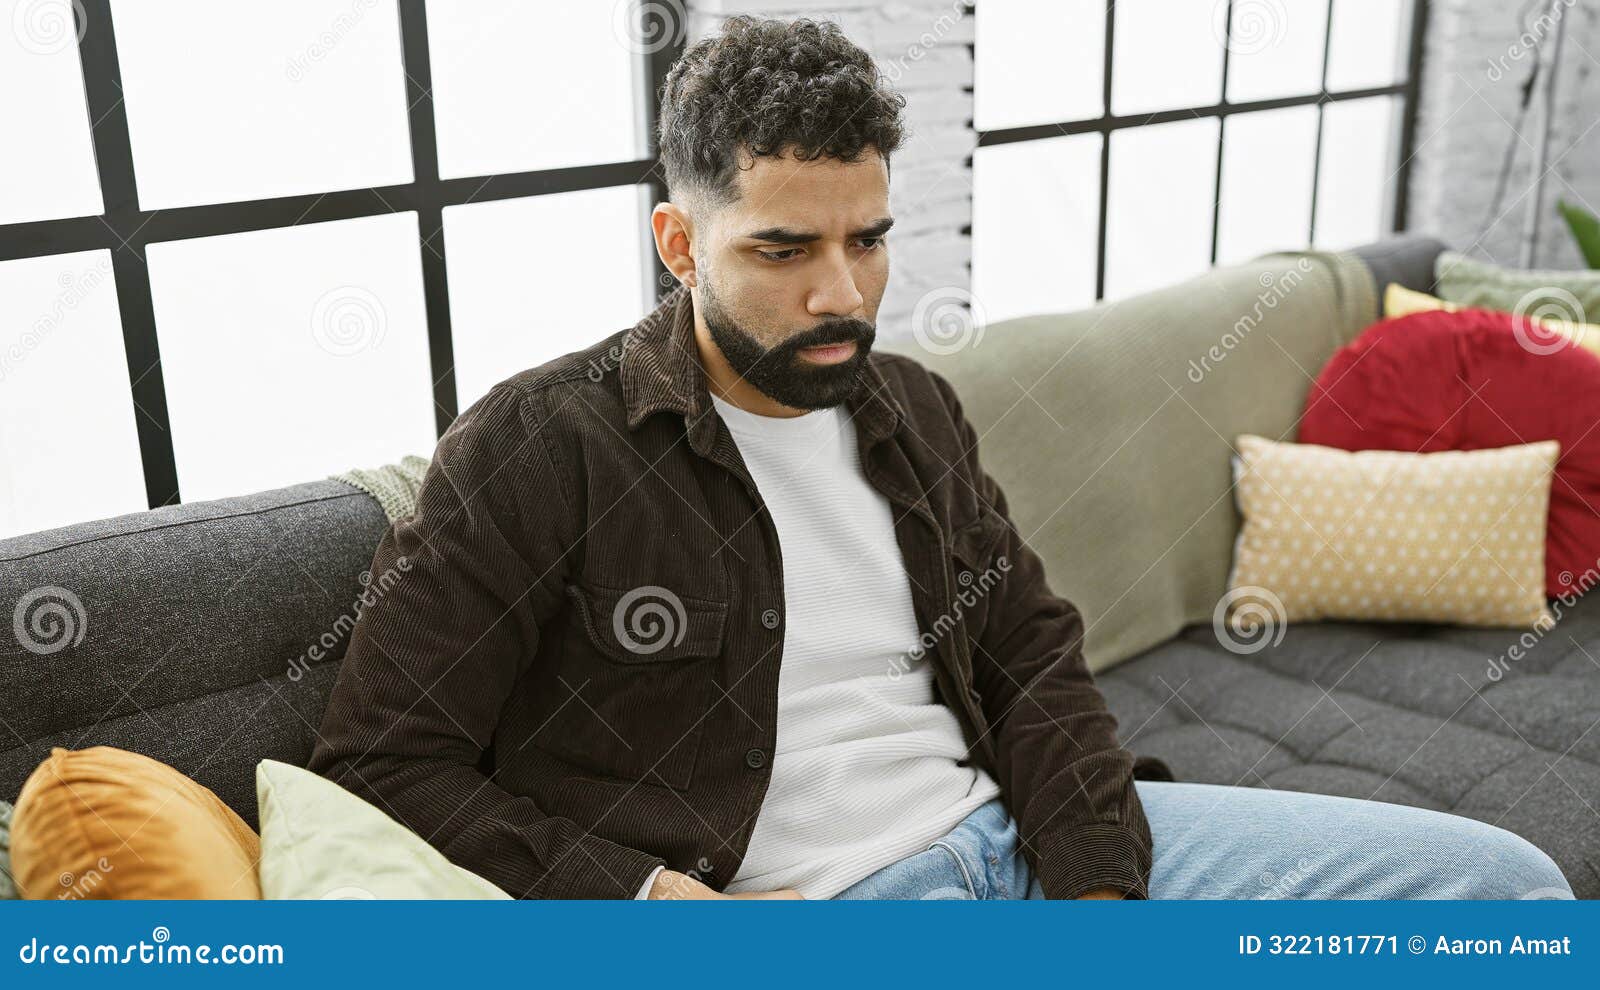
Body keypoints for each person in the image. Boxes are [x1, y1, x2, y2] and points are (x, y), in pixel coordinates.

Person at [307, 16, 1571, 902]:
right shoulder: (541, 446)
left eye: (869, 239)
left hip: (1019, 848)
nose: (843, 293)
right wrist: (642, 900)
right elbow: (378, 761)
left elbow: (1027, 654)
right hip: (824, 908)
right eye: (784, 251)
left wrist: (1092, 893)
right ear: (680, 247)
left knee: (1501, 896)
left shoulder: (909, 408)